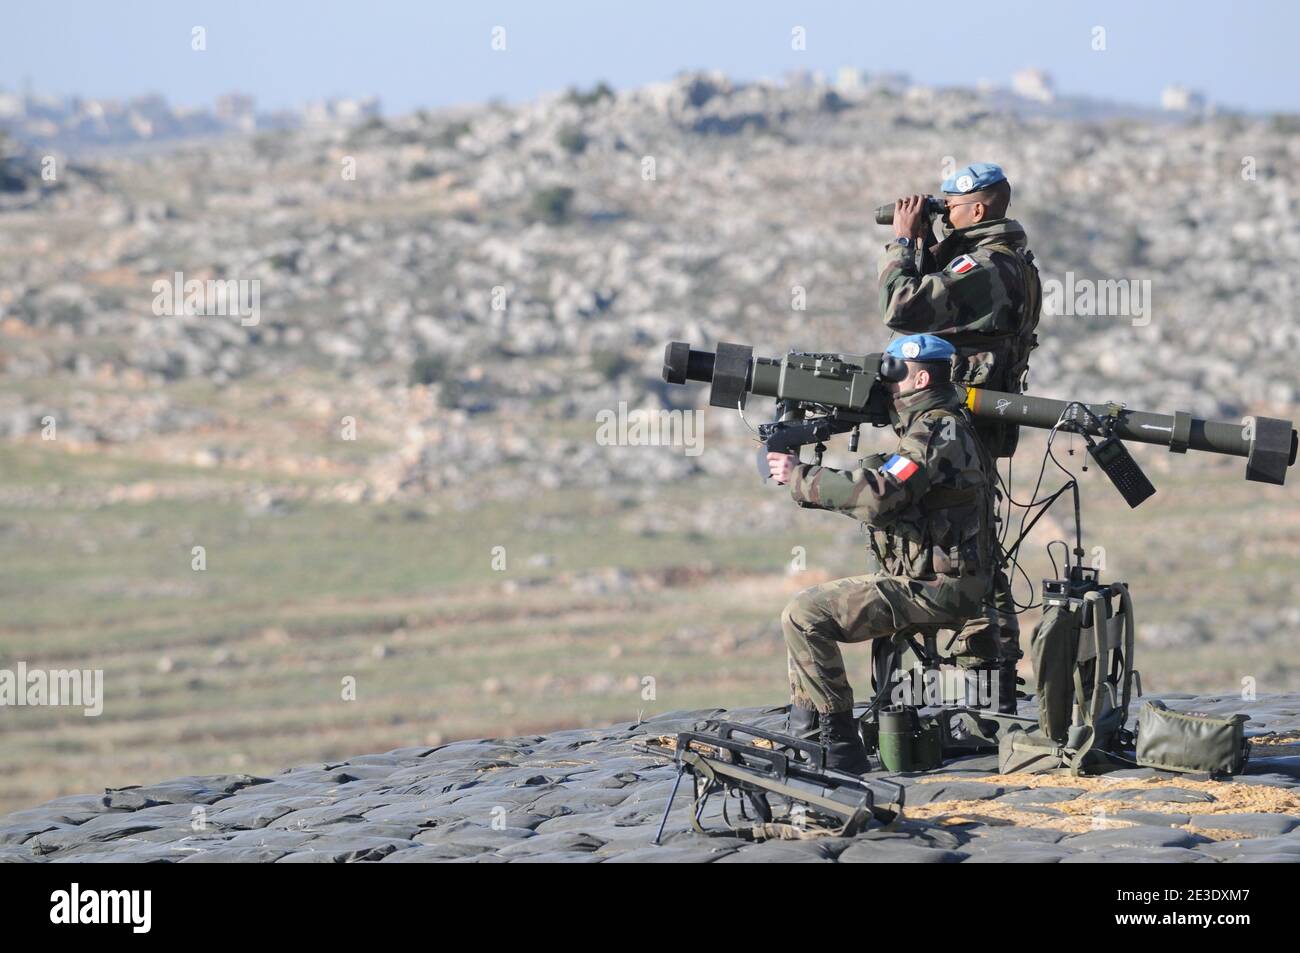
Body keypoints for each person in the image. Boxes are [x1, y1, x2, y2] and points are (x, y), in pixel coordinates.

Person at [766, 334, 997, 773]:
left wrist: (802, 477)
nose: (890, 386)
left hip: (937, 590)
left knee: (804, 614)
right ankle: (808, 733)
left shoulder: (935, 430)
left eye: (898, 374)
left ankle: (835, 747)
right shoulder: (937, 424)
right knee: (809, 614)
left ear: (922, 376)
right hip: (934, 582)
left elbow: (878, 497)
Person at [879, 162, 1042, 712]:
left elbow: (903, 310)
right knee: (978, 553)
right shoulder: (1002, 256)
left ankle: (981, 699)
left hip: (958, 429)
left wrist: (902, 246)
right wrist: (928, 243)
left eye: (952, 204)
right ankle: (990, 694)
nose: (942, 211)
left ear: (981, 207)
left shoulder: (987, 263)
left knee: (957, 555)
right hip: (971, 427)